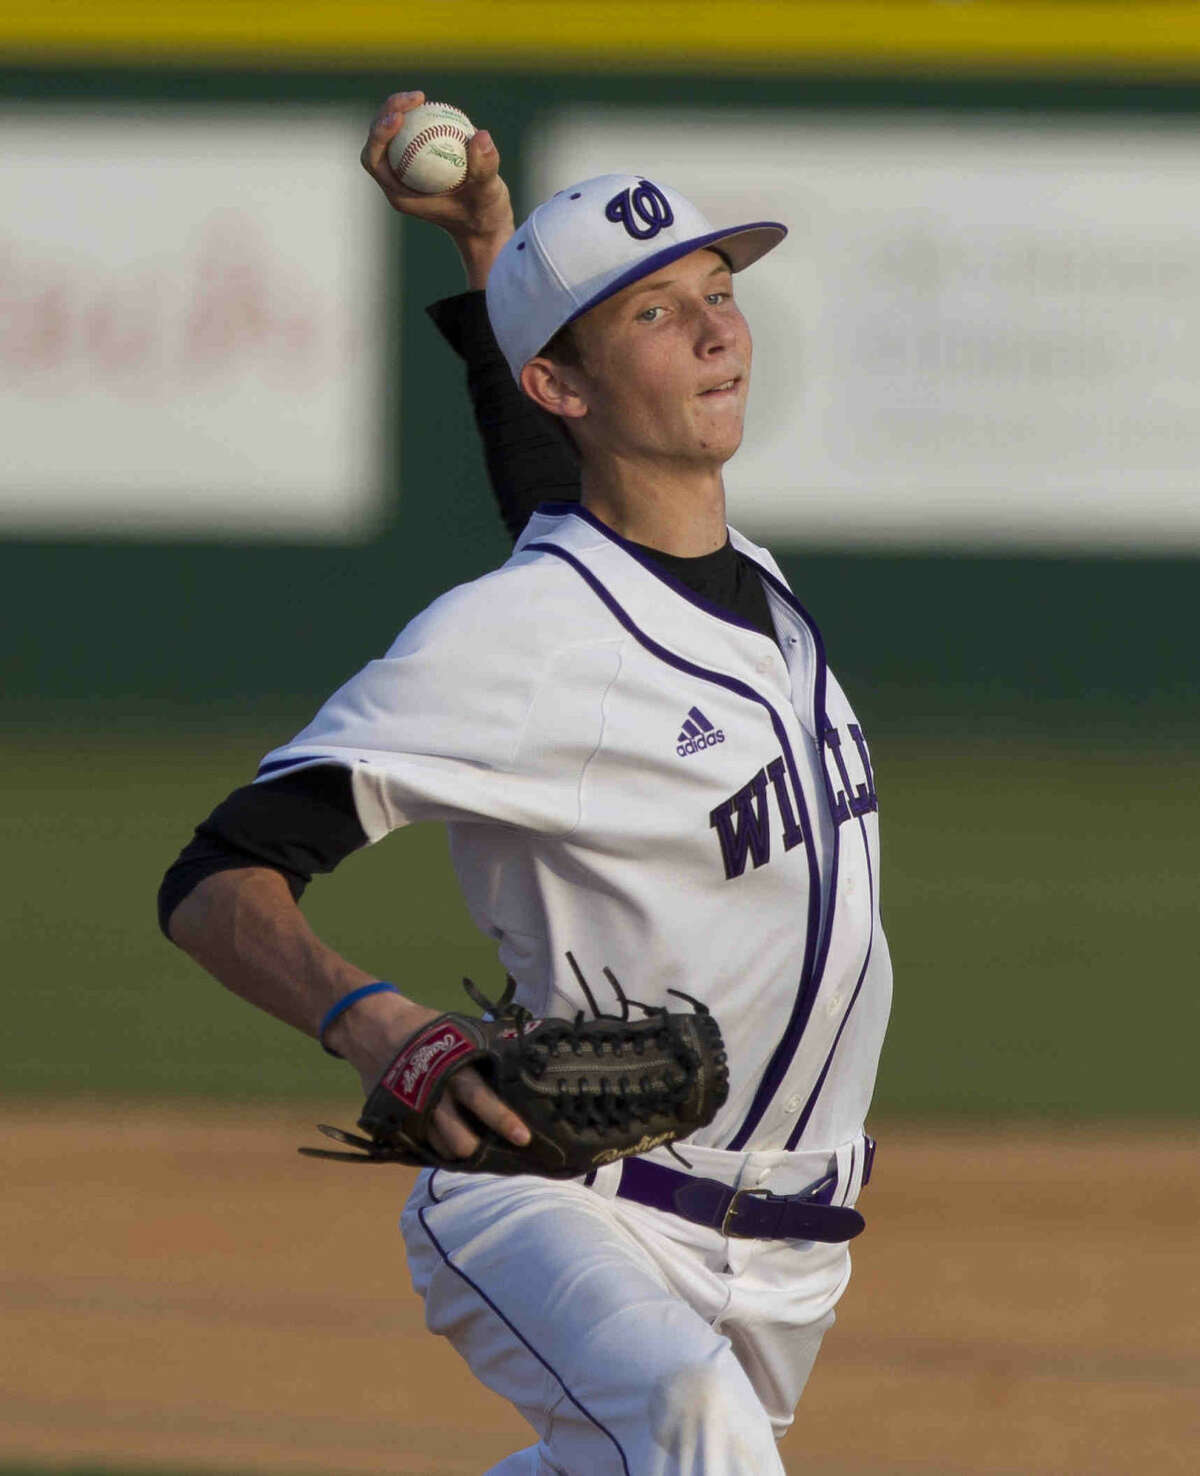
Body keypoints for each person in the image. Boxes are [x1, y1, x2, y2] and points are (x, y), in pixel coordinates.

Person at [159, 90, 892, 1476]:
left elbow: (563, 503)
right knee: (696, 1434)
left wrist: (493, 243)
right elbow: (213, 878)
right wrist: (386, 1032)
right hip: (562, 1198)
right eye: (655, 314)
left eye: (717, 290)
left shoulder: (763, 596)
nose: (720, 328)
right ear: (562, 379)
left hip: (789, 1250)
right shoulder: (509, 637)